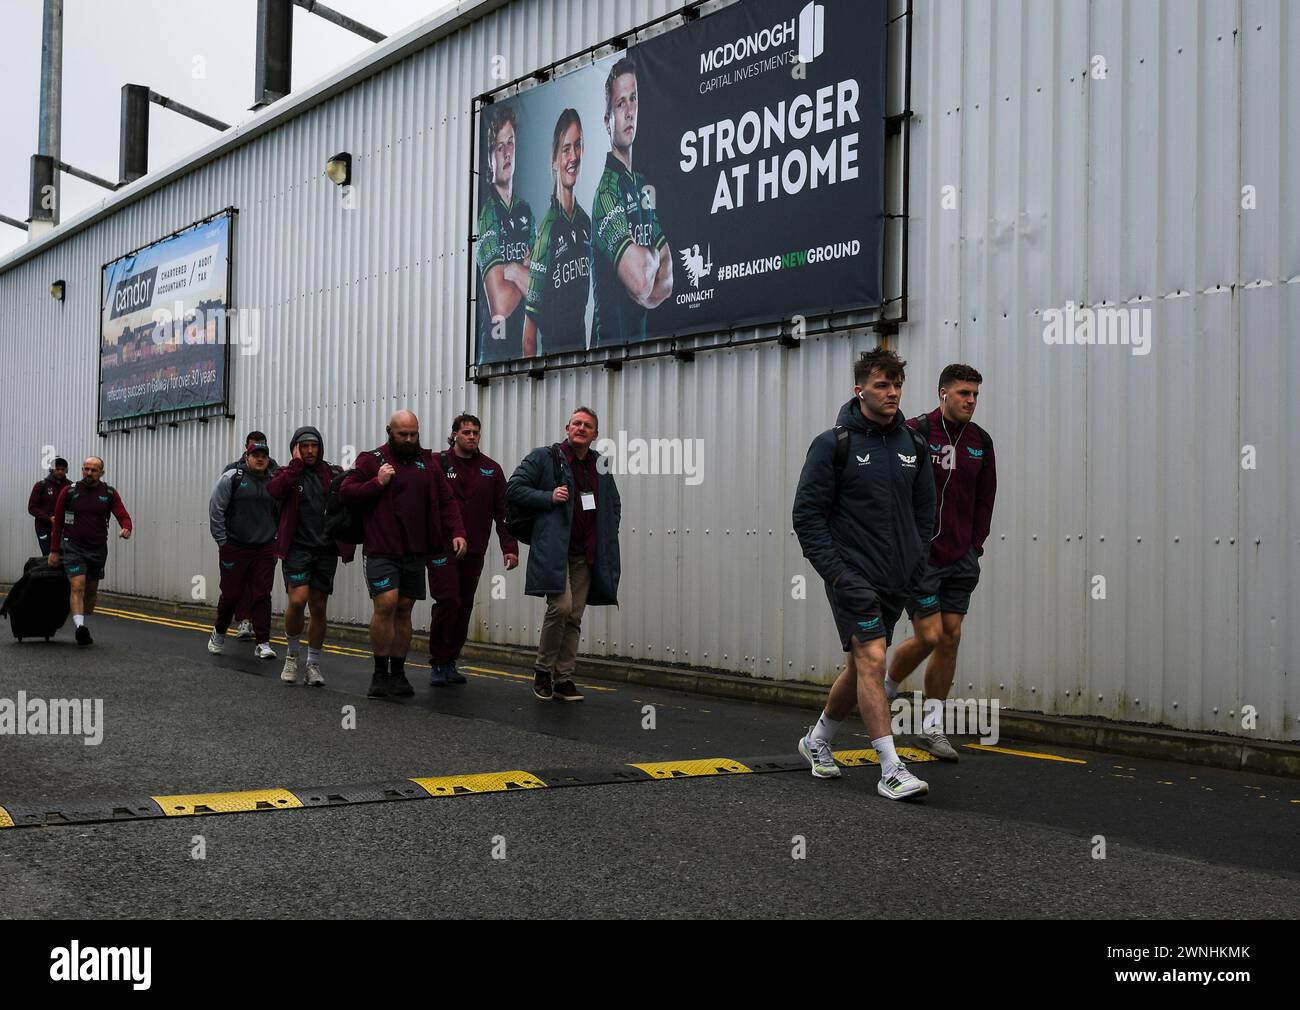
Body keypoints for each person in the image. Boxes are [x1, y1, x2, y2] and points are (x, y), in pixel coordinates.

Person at [792, 348, 936, 800]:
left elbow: (924, 514)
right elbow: (807, 517)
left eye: (896, 385)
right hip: (851, 577)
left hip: (898, 578)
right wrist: (838, 574)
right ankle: (890, 768)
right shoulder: (833, 444)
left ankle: (816, 740)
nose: (892, 392)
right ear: (860, 390)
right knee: (874, 660)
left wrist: (915, 562)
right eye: (881, 385)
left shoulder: (913, 444)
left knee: (859, 666)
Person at [884, 364, 997, 760]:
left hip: (960, 556)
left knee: (951, 637)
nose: (970, 401)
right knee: (929, 635)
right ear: (943, 393)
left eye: (975, 395)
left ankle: (931, 727)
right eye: (964, 393)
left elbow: (985, 499)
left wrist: (975, 545)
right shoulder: (915, 432)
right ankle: (886, 687)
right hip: (921, 556)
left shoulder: (980, 441)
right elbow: (897, 491)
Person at [340, 411, 466, 699]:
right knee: (386, 604)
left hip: (415, 550)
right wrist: (377, 483)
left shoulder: (428, 463)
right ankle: (379, 673)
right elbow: (346, 493)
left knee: (405, 609)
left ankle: (397, 673)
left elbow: (447, 501)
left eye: (413, 434)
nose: (409, 440)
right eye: (403, 435)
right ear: (389, 432)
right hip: (381, 549)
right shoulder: (371, 460)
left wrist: (457, 531)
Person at [506, 407, 621, 702]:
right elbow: (513, 489)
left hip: (586, 553)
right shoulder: (544, 457)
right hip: (555, 551)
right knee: (560, 607)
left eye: (588, 426)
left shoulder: (601, 464)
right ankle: (543, 671)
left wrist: (607, 532)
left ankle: (564, 679)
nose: (581, 428)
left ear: (595, 434)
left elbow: (613, 502)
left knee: (575, 616)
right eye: (577, 423)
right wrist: (548, 497)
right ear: (567, 427)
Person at [427, 413, 519, 685]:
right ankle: (438, 661)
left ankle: (451, 661)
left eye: (475, 433)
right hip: (441, 547)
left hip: (475, 548)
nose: (471, 436)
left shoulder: (491, 469)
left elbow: (503, 513)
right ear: (454, 434)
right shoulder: (437, 464)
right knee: (448, 600)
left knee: (464, 604)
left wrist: (509, 548)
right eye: (465, 432)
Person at [590, 56, 673, 347]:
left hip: (641, 358)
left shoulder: (641, 185)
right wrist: (652, 261)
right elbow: (641, 282)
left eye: (633, 99)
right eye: (620, 103)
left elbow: (669, 278)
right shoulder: (605, 193)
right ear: (607, 120)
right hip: (608, 362)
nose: (628, 112)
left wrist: (645, 267)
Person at [268, 425, 355, 686]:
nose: (309, 450)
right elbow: (274, 491)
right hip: (297, 549)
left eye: (313, 446)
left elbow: (350, 496)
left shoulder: (332, 473)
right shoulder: (287, 473)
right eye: (304, 446)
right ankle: (292, 655)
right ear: (295, 448)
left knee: (318, 607)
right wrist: (295, 467)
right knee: (298, 600)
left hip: (325, 550)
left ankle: (313, 664)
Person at [523, 108, 592, 356]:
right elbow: (529, 333)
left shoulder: (586, 223)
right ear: (554, 161)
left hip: (584, 364)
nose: (573, 156)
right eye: (565, 149)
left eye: (578, 146)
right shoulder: (547, 231)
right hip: (554, 373)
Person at [47, 457, 133, 646]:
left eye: (94, 470)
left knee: (91, 591)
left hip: (97, 549)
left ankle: (82, 618)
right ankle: (80, 627)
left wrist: (126, 528)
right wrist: (54, 550)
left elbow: (122, 514)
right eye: (86, 469)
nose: (89, 473)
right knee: (77, 586)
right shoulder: (69, 492)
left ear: (101, 472)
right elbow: (59, 523)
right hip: (72, 547)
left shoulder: (109, 493)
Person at [207, 441, 279, 659]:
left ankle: (262, 642)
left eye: (263, 455)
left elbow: (281, 512)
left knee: (262, 595)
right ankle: (219, 633)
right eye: (255, 455)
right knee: (231, 595)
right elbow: (216, 509)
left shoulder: (275, 481)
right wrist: (223, 542)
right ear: (246, 457)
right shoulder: (232, 478)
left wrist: (275, 541)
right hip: (235, 548)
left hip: (264, 549)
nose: (259, 458)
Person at [476, 105, 535, 364]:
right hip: (495, 356)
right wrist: (523, 268)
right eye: (499, 147)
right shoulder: (488, 213)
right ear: (490, 157)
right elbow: (499, 305)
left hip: (525, 352)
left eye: (510, 143)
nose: (507, 152)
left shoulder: (525, 210)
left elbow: (538, 288)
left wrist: (511, 270)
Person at [224, 431, 279, 641]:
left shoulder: (274, 470)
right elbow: (221, 504)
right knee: (240, 584)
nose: (259, 454)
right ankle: (244, 621)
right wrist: (224, 539)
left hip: (265, 539)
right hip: (238, 539)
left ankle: (261, 631)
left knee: (262, 587)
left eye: (262, 447)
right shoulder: (233, 471)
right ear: (246, 449)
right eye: (254, 447)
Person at [28, 456, 70, 557]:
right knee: (49, 557)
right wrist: (48, 518)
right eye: (57, 469)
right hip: (44, 528)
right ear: (51, 469)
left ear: (66, 470)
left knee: (66, 557)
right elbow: (32, 508)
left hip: (65, 529)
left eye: (62, 469)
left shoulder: (70, 486)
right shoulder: (41, 485)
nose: (60, 472)